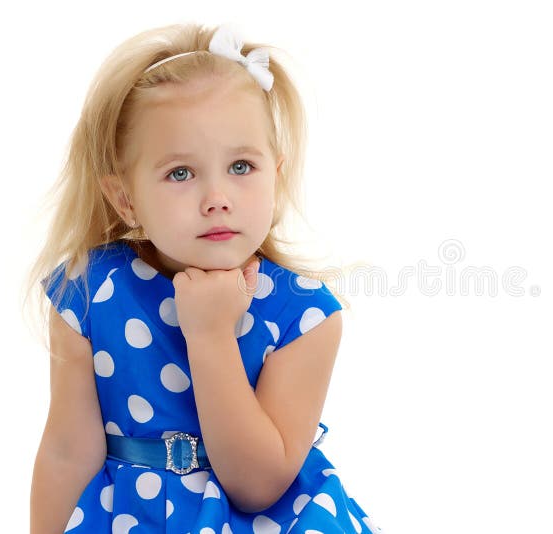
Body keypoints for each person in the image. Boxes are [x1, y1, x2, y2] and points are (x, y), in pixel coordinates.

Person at [27, 21, 382, 534]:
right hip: (130, 518)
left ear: (275, 177)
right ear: (126, 199)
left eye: (241, 167)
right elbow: (66, 454)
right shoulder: (88, 293)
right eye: (180, 173)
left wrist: (211, 334)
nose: (217, 197)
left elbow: (256, 485)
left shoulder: (304, 316)